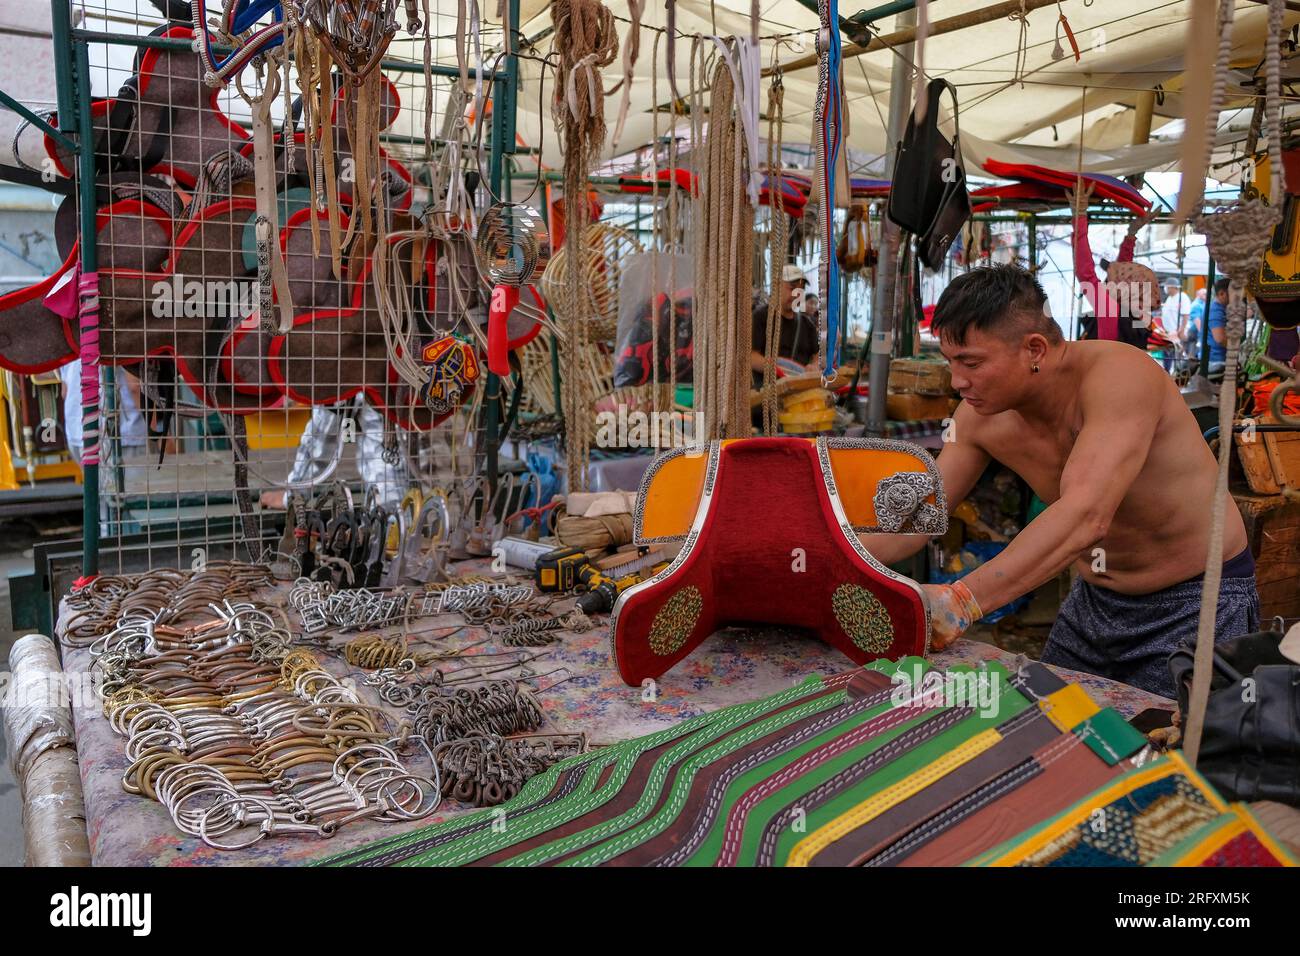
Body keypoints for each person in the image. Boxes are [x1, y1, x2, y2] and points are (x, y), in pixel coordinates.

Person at [862, 263, 1258, 698]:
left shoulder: (1122, 375)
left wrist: (960, 600)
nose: (957, 381)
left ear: (1034, 349)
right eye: (950, 362)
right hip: (1095, 599)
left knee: (1166, 750)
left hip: (1197, 599)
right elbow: (922, 518)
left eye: (971, 362)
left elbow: (1086, 514)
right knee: (1052, 725)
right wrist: (835, 555)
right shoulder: (976, 419)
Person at [1066, 185, 1157, 348]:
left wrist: (1079, 217)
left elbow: (1085, 273)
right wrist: (1131, 235)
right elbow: (1122, 269)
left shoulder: (1110, 311)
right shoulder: (1137, 317)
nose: (1107, 278)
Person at [750, 264, 819, 381]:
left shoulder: (807, 324)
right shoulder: (760, 317)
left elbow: (817, 355)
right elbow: (751, 357)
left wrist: (814, 366)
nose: (797, 294)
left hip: (798, 390)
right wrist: (777, 369)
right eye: (792, 288)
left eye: (801, 290)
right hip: (766, 392)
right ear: (777, 286)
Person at [1205, 277, 1230, 377]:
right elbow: (1220, 338)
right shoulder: (1216, 310)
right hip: (1216, 361)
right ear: (1222, 294)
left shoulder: (1220, 309)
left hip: (1217, 359)